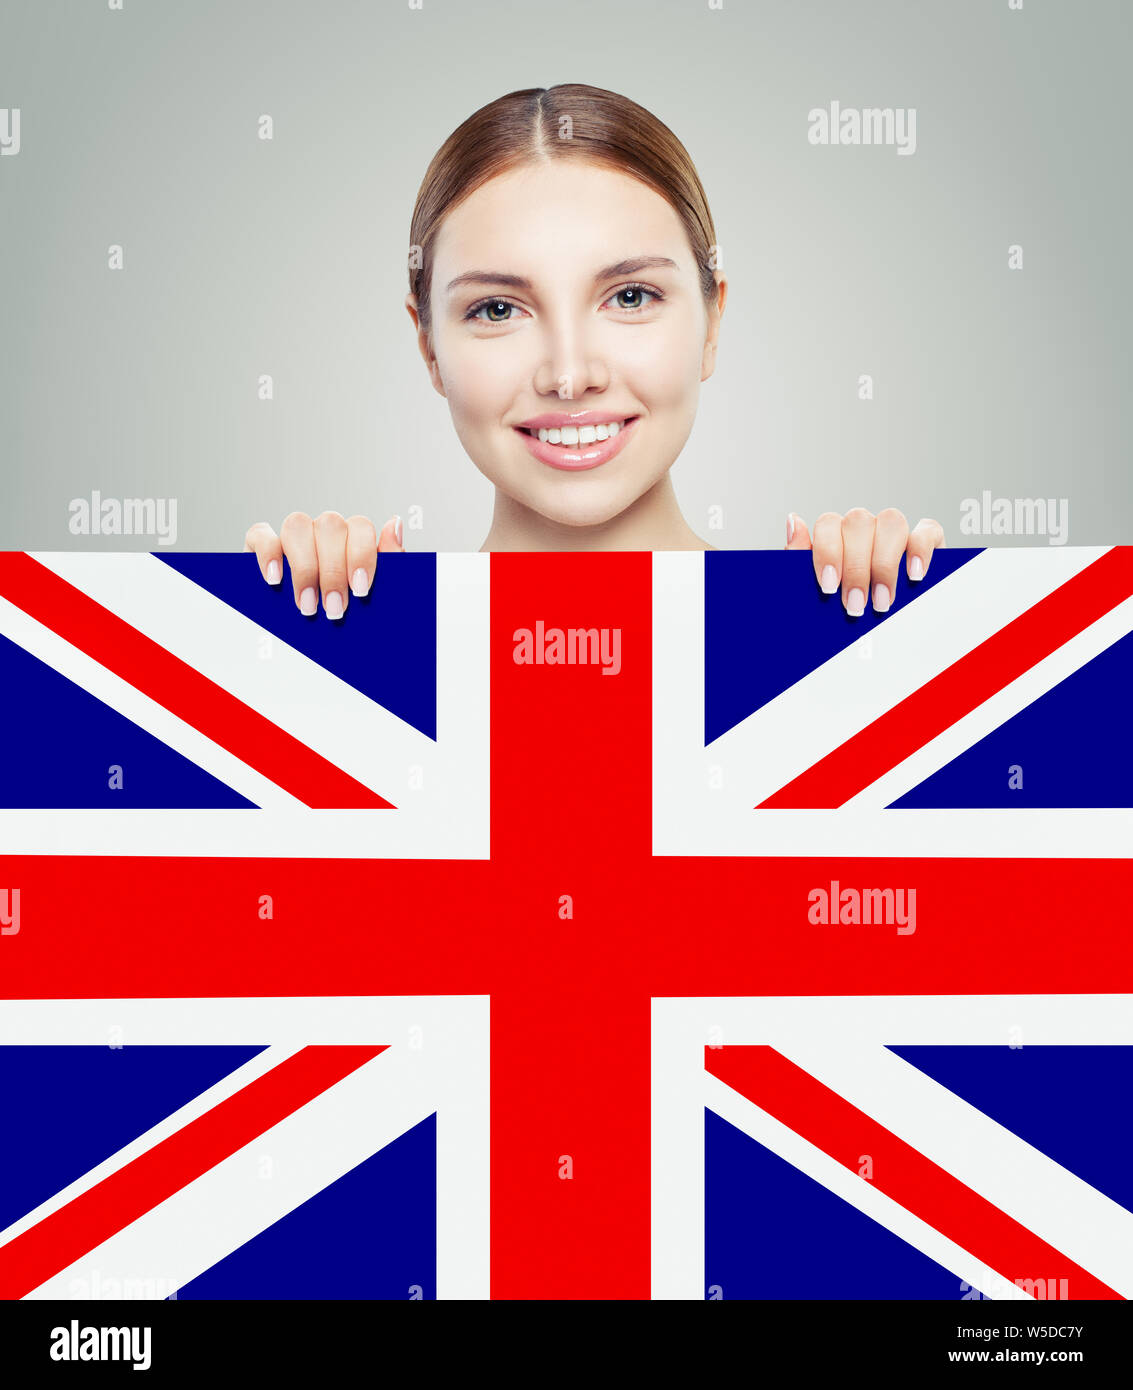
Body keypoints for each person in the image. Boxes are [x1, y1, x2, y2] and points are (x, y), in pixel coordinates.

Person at [244, 84, 944, 619]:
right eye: (496, 309)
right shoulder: (340, 628)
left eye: (630, 298)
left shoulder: (839, 612)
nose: (570, 376)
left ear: (710, 322)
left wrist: (880, 634)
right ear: (428, 347)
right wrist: (312, 639)